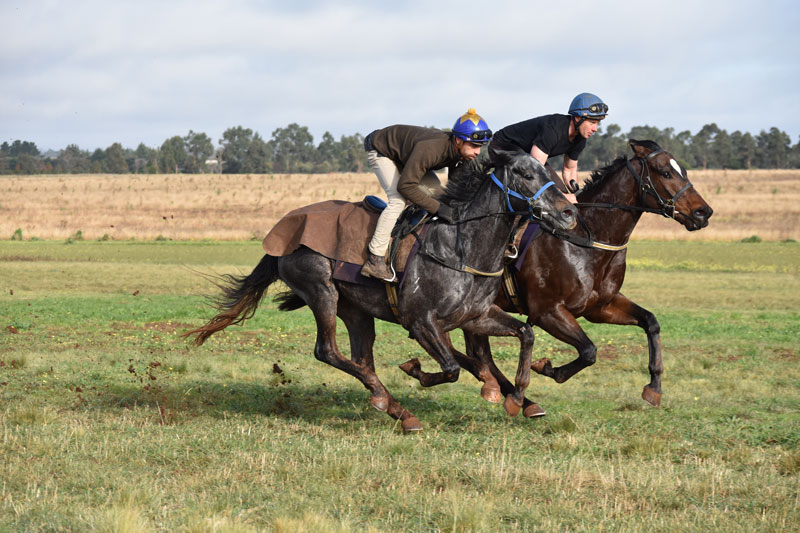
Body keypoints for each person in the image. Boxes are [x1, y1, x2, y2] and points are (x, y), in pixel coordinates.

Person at [360, 109, 492, 281]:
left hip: (407, 155)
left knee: (438, 195)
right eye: (474, 146)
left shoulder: (459, 152)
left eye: (480, 146)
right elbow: (406, 186)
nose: (478, 152)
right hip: (381, 149)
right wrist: (438, 209)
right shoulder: (432, 150)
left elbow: (455, 188)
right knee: (398, 201)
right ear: (458, 141)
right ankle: (374, 259)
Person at [488, 93, 608, 203]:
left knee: (564, 196)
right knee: (547, 195)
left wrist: (576, 195)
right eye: (592, 122)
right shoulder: (553, 129)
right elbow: (534, 171)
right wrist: (561, 196)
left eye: (597, 123)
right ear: (578, 118)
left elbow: (569, 170)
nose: (595, 129)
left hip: (529, 157)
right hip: (502, 146)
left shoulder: (581, 139)